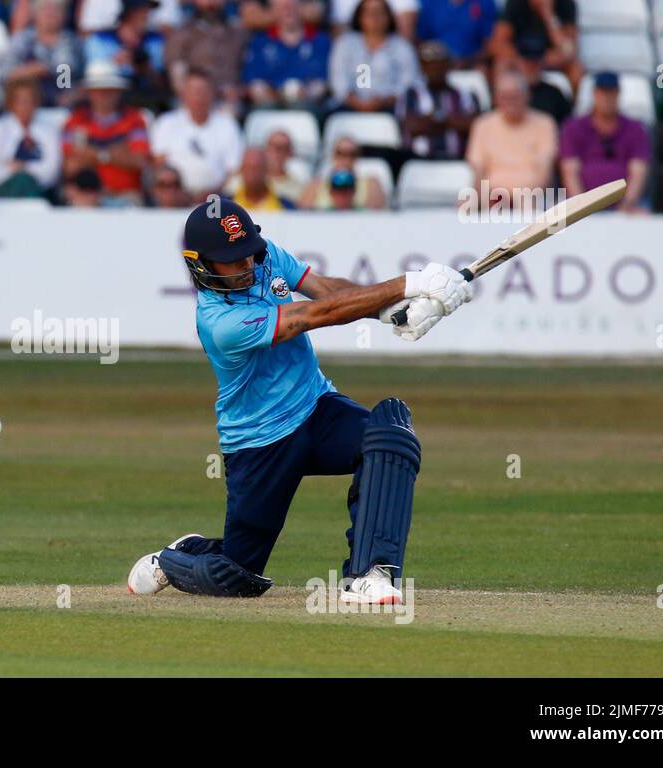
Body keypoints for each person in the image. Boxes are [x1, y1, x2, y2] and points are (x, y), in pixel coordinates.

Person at [126, 199, 472, 601]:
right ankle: (173, 558)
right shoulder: (219, 322)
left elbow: (326, 289)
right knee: (236, 576)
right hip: (259, 442)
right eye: (232, 260)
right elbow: (313, 315)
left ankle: (370, 574)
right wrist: (409, 284)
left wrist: (388, 310)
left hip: (316, 407)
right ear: (200, 264)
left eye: (248, 254)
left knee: (389, 435)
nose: (247, 266)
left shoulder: (263, 255)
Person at [60, 60, 150, 206]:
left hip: (127, 196)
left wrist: (93, 153)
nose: (104, 95)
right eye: (99, 90)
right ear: (89, 92)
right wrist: (117, 153)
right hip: (85, 197)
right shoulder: (75, 121)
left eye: (110, 90)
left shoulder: (135, 120)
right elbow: (71, 166)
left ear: (118, 92)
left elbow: (140, 161)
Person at [559, 72, 649, 211]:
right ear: (594, 94)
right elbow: (570, 171)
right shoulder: (574, 128)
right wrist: (582, 207)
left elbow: (638, 172)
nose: (607, 98)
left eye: (611, 93)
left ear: (618, 94)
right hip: (580, 206)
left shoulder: (635, 129)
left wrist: (627, 204)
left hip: (625, 207)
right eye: (602, 92)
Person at [466, 70, 557, 205]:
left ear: (527, 96)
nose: (510, 102)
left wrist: (524, 197)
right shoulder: (482, 125)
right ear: (496, 98)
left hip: (532, 196)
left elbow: (544, 172)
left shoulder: (544, 124)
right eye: (504, 97)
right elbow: (479, 170)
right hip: (493, 197)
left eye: (514, 97)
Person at [151, 69, 243, 199]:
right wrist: (179, 193)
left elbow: (233, 170)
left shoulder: (227, 124)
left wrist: (213, 194)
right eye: (194, 91)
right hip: (175, 197)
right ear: (183, 94)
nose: (199, 96)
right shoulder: (167, 123)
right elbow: (158, 164)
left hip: (217, 200)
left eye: (203, 91)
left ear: (212, 94)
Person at [327, 0, 420, 115]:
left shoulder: (402, 47)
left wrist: (383, 101)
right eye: (369, 13)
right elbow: (339, 82)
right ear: (359, 17)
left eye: (380, 13)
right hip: (349, 107)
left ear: (389, 16)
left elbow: (407, 84)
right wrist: (358, 103)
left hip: (390, 109)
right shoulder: (345, 44)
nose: (375, 18)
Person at [242, 0, 332, 110]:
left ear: (302, 8)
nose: (289, 11)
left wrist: (307, 93)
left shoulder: (320, 41)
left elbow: (323, 83)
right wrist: (275, 95)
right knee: (263, 109)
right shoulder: (260, 43)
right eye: (284, 8)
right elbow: (254, 83)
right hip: (270, 105)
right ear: (274, 10)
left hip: (307, 106)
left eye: (292, 6)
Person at [83, 0, 169, 112]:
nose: (146, 15)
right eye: (141, 12)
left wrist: (145, 68)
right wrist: (114, 63)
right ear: (129, 14)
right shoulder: (101, 39)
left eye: (147, 11)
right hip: (112, 93)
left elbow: (161, 81)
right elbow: (95, 74)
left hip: (147, 95)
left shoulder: (155, 40)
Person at [397, 40, 477, 160]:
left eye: (439, 64)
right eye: (430, 65)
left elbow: (475, 126)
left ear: (448, 65)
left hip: (458, 160)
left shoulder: (465, 94)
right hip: (419, 161)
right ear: (422, 68)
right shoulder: (411, 94)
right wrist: (451, 121)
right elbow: (410, 127)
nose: (435, 70)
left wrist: (434, 120)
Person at [0, 77, 62, 198]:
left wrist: (22, 167)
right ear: (11, 104)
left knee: (25, 182)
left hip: (39, 191)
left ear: (36, 103)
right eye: (20, 101)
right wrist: (22, 172)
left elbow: (52, 173)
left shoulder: (49, 131)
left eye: (29, 101)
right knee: (21, 182)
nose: (25, 106)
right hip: (6, 190)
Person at [490, 0, 582, 99]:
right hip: (520, 57)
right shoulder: (515, 4)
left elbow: (569, 50)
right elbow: (499, 43)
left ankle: (568, 110)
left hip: (548, 59)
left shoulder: (566, 4)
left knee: (576, 71)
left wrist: (548, 15)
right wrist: (521, 60)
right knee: (501, 65)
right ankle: (499, 107)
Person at [164, 0, 248, 108]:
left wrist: (239, 91)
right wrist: (192, 94)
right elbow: (176, 73)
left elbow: (249, 68)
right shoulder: (182, 33)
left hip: (230, 99)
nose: (211, 3)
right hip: (193, 99)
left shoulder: (238, 32)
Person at [6, 0, 82, 108]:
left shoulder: (73, 42)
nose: (50, 14)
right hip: (28, 108)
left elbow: (83, 80)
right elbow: (8, 75)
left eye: (56, 10)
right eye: (45, 9)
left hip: (65, 107)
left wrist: (73, 95)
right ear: (34, 14)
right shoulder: (22, 40)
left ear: (64, 15)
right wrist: (35, 70)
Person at [300, 136, 388, 209]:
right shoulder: (316, 185)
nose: (346, 159)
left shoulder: (371, 184)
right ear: (333, 155)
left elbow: (375, 215)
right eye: (340, 153)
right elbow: (304, 214)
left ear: (358, 156)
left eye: (351, 154)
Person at [415, 0, 497, 66]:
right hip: (435, 68)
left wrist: (467, 62)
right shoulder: (429, 3)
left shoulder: (485, 3)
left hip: (471, 68)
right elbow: (420, 42)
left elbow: (490, 45)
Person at [515, 35, 571, 125]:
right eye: (527, 62)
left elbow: (567, 128)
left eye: (535, 62)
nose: (531, 67)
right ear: (518, 62)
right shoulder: (507, 95)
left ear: (542, 63)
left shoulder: (555, 95)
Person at [226, 147, 288, 212]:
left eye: (257, 169)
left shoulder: (285, 207)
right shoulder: (225, 207)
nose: (252, 174)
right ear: (241, 170)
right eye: (247, 168)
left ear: (266, 170)